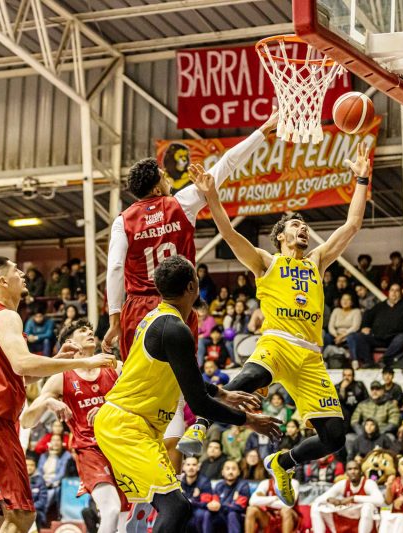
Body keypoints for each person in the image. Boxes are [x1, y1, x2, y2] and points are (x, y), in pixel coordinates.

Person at [180, 142, 372, 507]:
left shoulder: (316, 261)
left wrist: (362, 178)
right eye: (298, 225)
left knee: (334, 437)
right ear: (282, 235)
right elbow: (231, 236)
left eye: (305, 226)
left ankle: (283, 462)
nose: (305, 230)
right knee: (248, 380)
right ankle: (201, 423)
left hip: (310, 359)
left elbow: (352, 224)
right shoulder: (266, 261)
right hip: (277, 342)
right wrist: (212, 197)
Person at [102, 113, 276, 472]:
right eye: (165, 176)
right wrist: (261, 130)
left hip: (137, 308)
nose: (169, 180)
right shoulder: (180, 203)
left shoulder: (123, 220)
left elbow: (116, 268)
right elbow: (226, 165)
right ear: (157, 186)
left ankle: (133, 468)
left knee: (134, 388)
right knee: (179, 386)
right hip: (175, 304)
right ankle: (173, 468)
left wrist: (114, 319)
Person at [94, 256, 279, 532]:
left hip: (133, 425)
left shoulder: (156, 319)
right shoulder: (175, 329)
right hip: (126, 426)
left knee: (153, 510)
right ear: (193, 286)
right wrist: (248, 420)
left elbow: (184, 379)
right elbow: (198, 402)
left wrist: (223, 393)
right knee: (176, 507)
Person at [0, 257, 116, 531]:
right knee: (21, 515)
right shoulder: (5, 315)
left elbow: (17, 376)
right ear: (3, 281)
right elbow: (23, 363)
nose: (22, 274)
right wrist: (82, 362)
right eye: (16, 271)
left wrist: (55, 359)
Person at [20, 319, 126, 533]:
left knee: (126, 516)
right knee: (111, 509)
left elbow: (140, 400)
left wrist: (110, 408)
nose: (89, 332)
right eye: (82, 330)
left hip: (123, 445)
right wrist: (47, 401)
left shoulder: (115, 366)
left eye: (90, 330)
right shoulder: (61, 377)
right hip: (90, 449)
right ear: (70, 342)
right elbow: (26, 421)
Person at [310, 460, 384, 533]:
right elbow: (319, 499)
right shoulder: (343, 484)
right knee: (316, 506)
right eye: (350, 469)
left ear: (361, 472)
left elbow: (380, 500)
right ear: (346, 473)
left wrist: (353, 498)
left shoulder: (368, 483)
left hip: (365, 517)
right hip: (349, 514)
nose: (353, 471)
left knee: (368, 507)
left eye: (355, 469)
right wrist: (329, 499)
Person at [347, 283, 403, 368]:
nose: (394, 293)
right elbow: (367, 315)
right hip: (377, 336)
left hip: (393, 338)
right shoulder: (381, 306)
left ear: (400, 293)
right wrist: (365, 326)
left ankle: (384, 360)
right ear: (389, 292)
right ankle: (368, 362)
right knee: (354, 336)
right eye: (392, 290)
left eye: (397, 290)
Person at [180, 456, 212, 532]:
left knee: (203, 514)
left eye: (194, 465)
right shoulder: (179, 482)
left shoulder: (205, 482)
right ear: (183, 467)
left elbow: (205, 503)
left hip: (197, 511)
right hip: (184, 511)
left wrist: (192, 500)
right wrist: (195, 499)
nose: (191, 467)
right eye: (188, 465)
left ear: (198, 467)